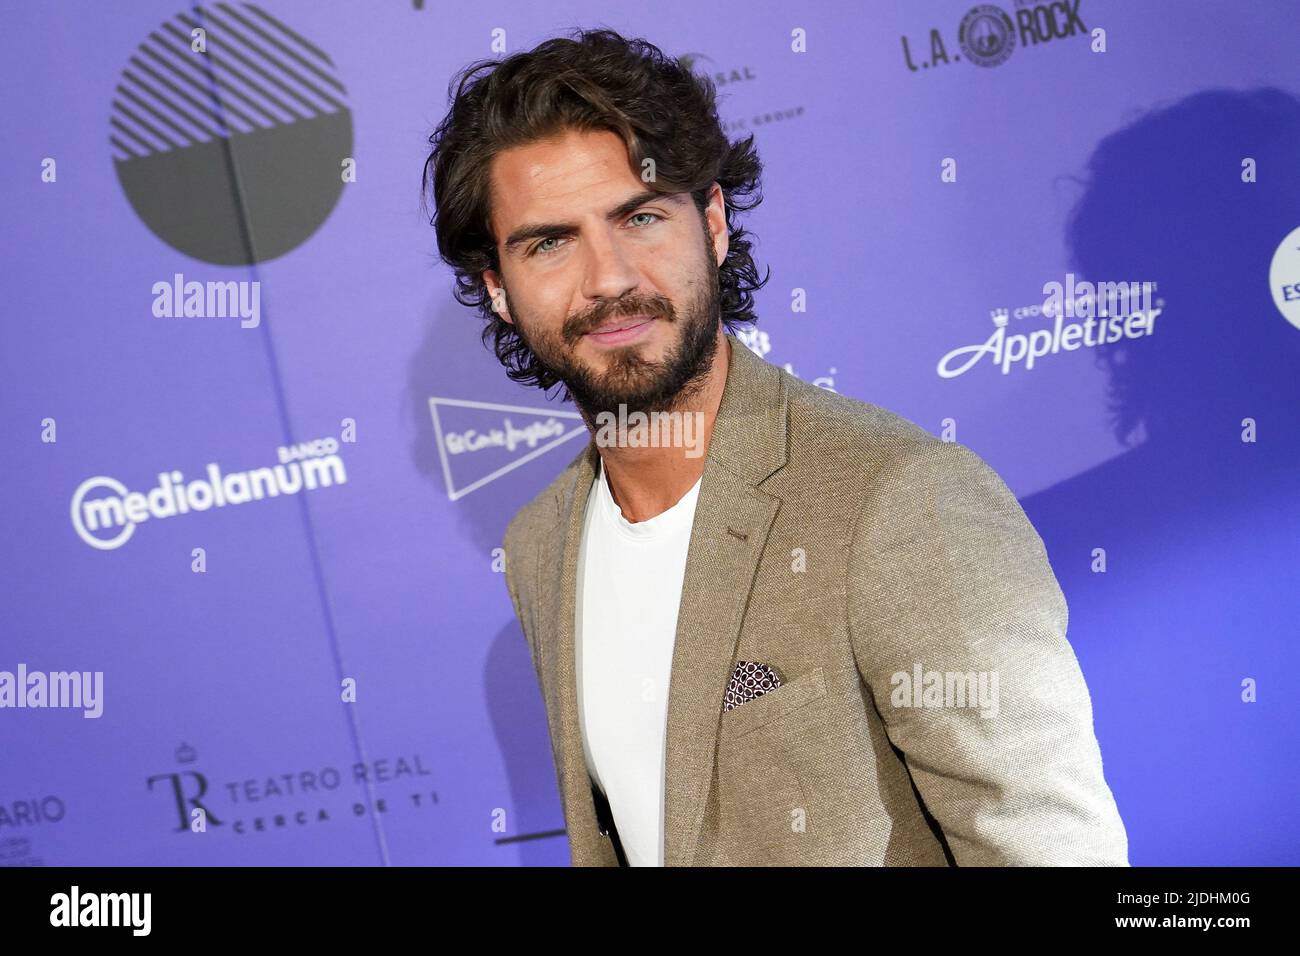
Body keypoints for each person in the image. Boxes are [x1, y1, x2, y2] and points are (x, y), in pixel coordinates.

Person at [423, 27, 1128, 866]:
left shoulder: (899, 497)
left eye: (640, 217)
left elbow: (1047, 847)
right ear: (499, 290)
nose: (608, 277)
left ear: (713, 223)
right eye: (550, 241)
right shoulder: (541, 545)